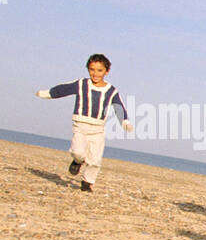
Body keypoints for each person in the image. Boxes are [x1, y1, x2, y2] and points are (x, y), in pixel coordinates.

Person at [35, 54, 133, 192]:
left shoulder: (111, 91)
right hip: (80, 124)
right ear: (88, 69)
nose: (95, 73)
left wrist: (125, 121)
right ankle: (77, 161)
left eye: (99, 70)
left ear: (106, 71)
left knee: (95, 159)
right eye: (92, 69)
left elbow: (119, 106)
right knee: (78, 151)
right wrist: (48, 93)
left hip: (98, 128)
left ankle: (87, 182)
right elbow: (64, 89)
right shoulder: (81, 84)